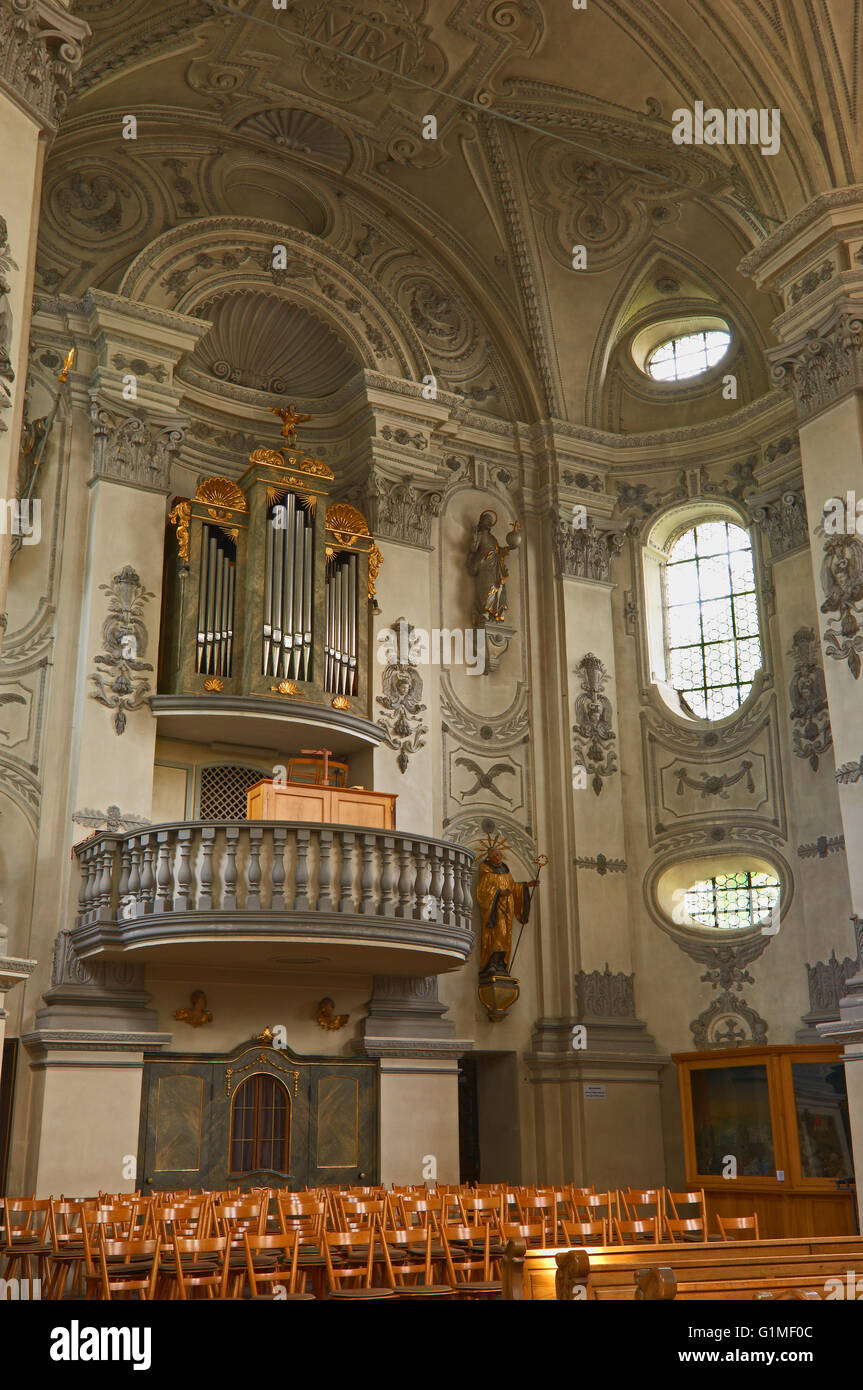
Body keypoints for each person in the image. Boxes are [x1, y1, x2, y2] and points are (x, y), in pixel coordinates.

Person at [476, 841, 538, 976]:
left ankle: (500, 964)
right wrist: (498, 893)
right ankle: (491, 963)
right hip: (495, 910)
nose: (498, 858)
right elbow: (483, 891)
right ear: (489, 858)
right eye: (495, 856)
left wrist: (526, 886)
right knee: (497, 934)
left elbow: (512, 887)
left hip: (507, 910)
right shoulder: (486, 870)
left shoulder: (506, 870)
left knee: (505, 936)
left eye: (499, 855)